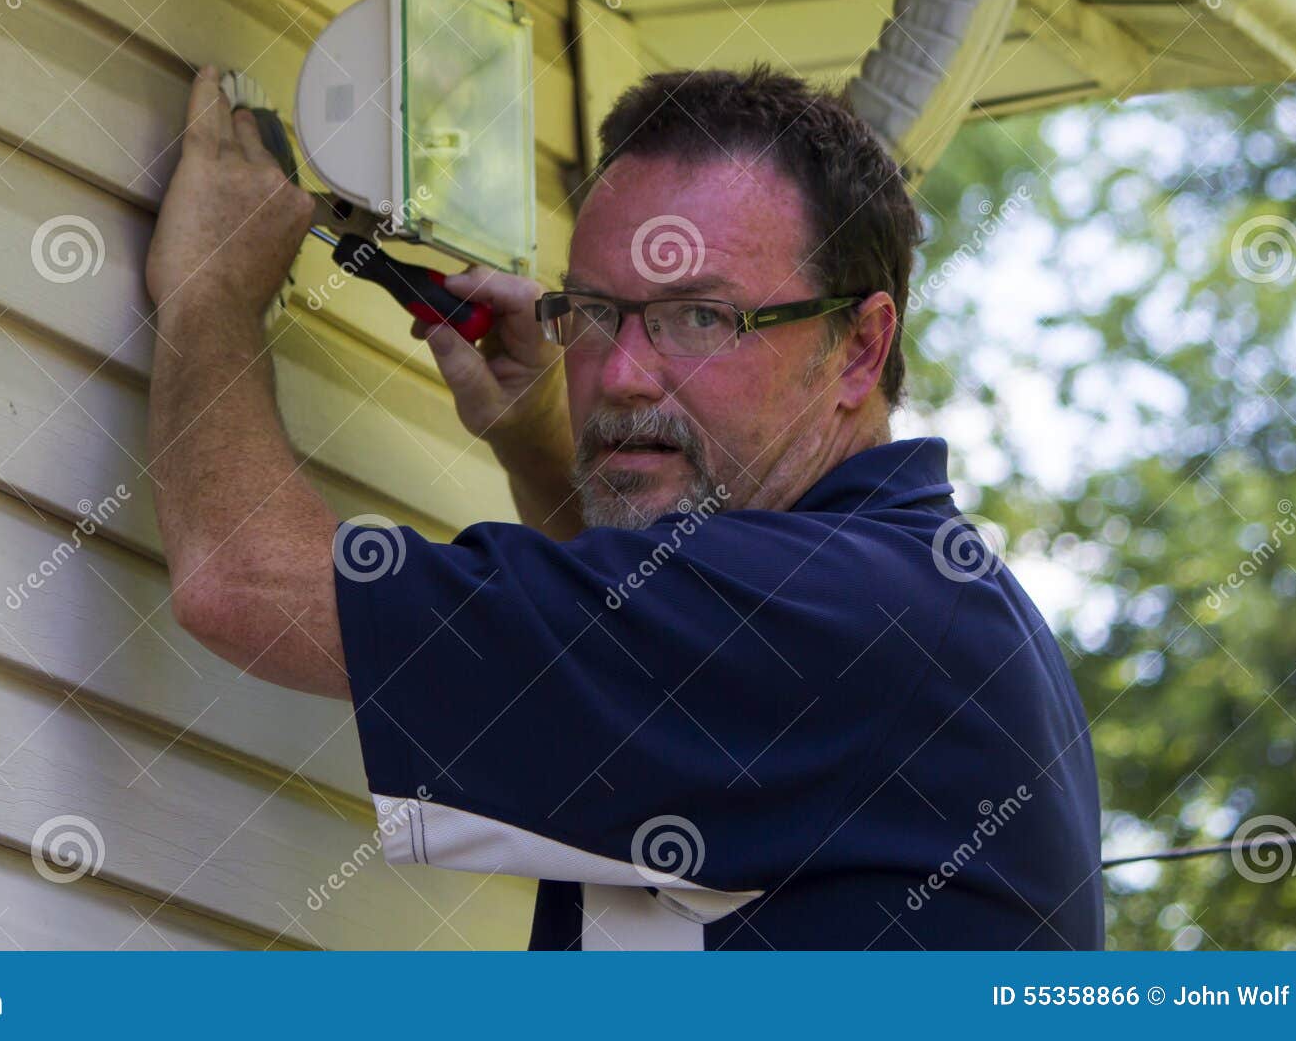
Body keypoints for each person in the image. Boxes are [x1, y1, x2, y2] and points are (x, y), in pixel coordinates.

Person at [145, 61, 1104, 950]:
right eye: (597, 314)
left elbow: (244, 578)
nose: (623, 377)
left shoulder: (832, 611)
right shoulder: (911, 592)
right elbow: (649, 655)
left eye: (701, 316)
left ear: (857, 348)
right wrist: (539, 443)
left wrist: (212, 290)